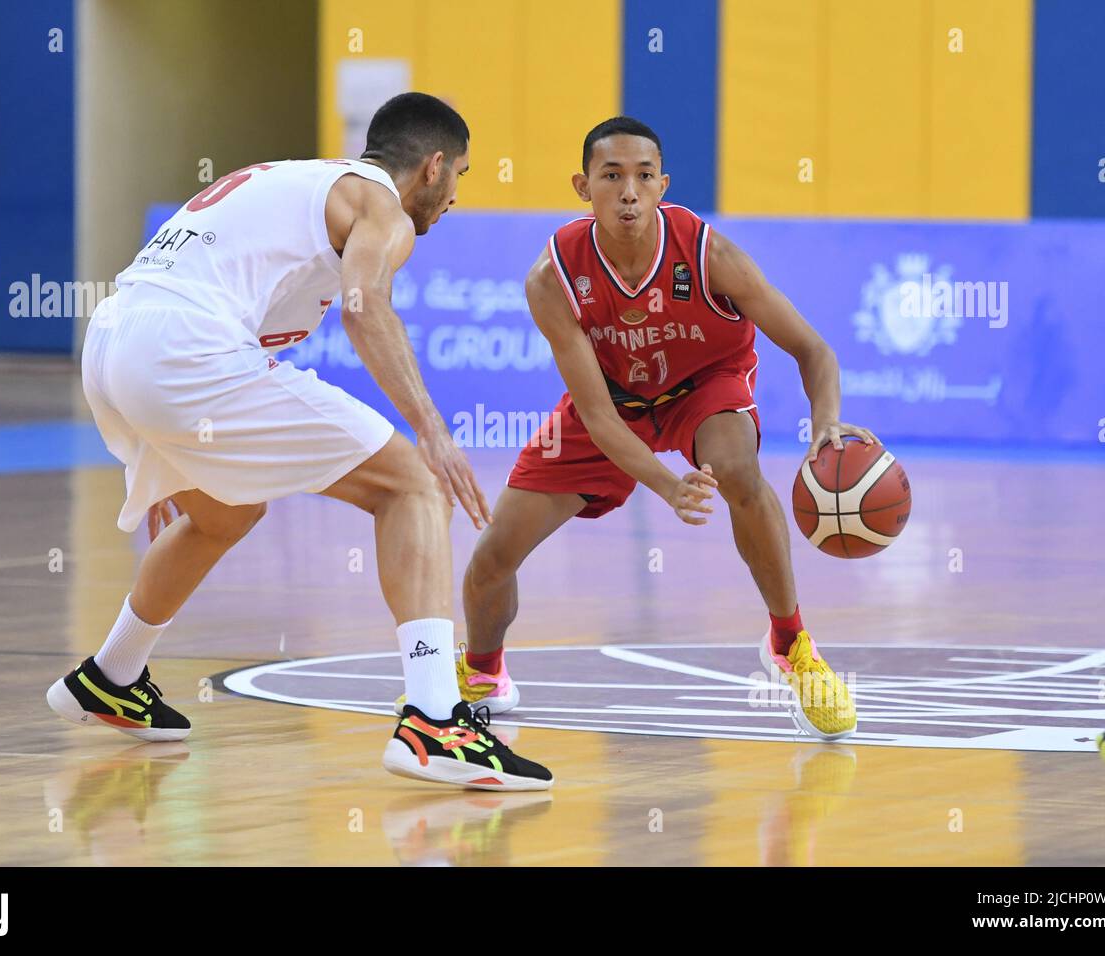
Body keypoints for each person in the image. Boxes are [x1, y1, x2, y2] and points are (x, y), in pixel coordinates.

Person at [47, 92, 553, 792]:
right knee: (411, 485)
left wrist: (169, 431)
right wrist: (431, 428)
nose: (455, 197)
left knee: (226, 510)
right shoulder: (381, 206)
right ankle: (435, 720)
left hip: (112, 343)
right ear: (432, 167)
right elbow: (364, 305)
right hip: (182, 350)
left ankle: (110, 676)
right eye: (460, 175)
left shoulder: (300, 180)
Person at [411, 116, 874, 740]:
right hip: (615, 403)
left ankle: (789, 643)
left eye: (643, 177)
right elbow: (597, 416)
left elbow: (814, 350)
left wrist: (826, 425)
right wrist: (665, 484)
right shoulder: (552, 278)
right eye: (611, 176)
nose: (628, 191)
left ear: (663, 186)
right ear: (583, 186)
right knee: (494, 556)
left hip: (703, 385)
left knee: (737, 468)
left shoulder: (710, 254)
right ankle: (486, 672)